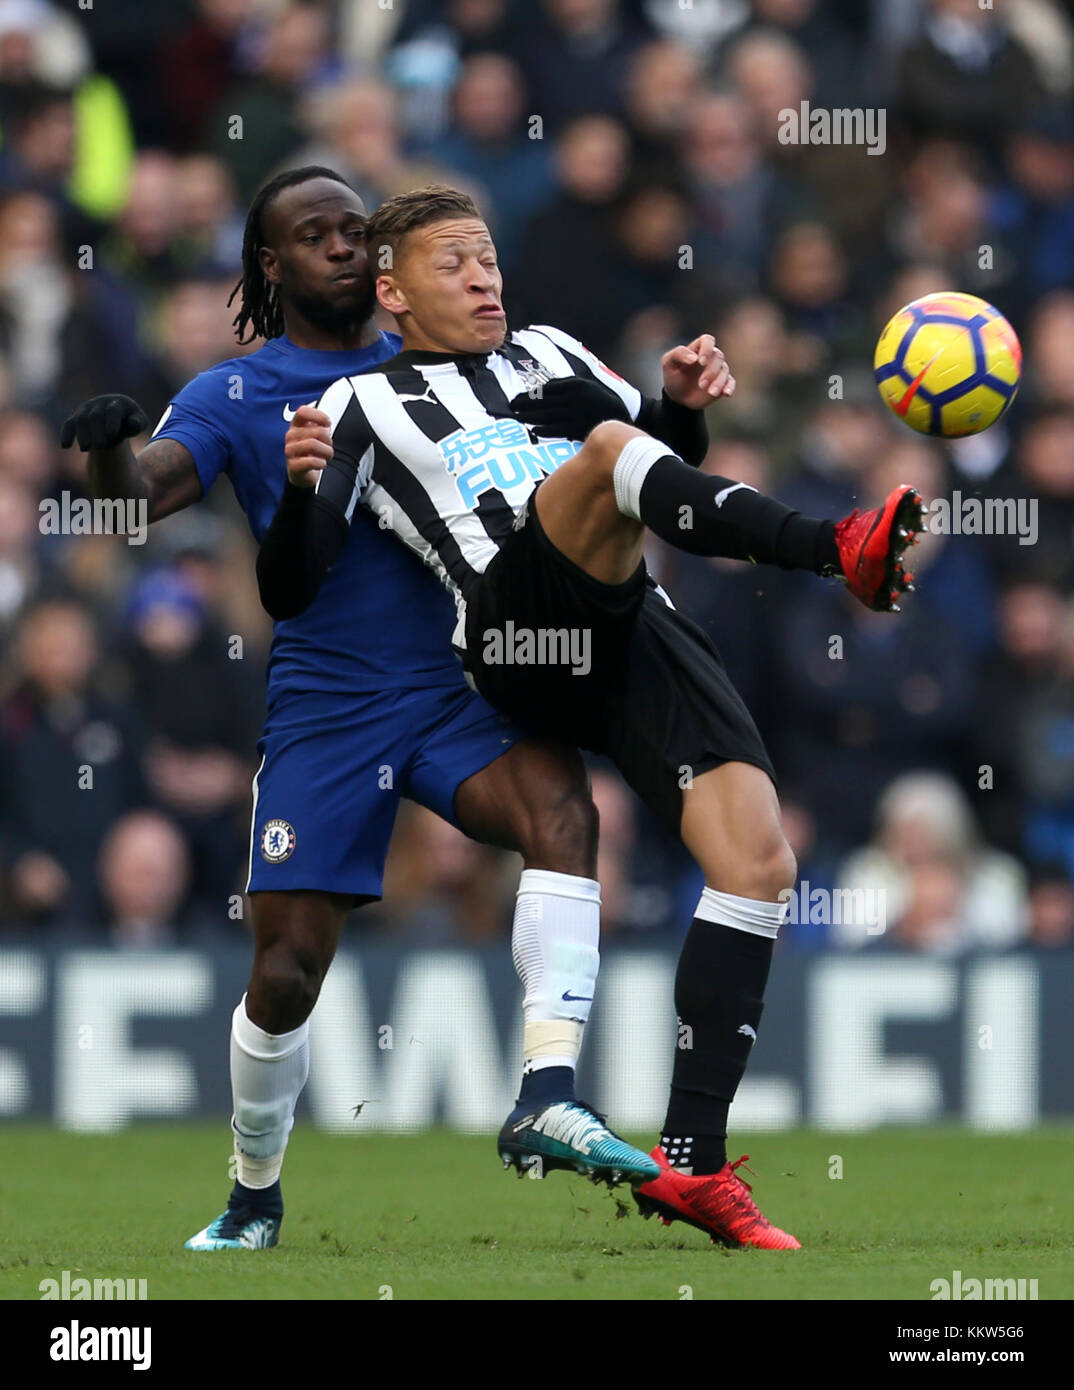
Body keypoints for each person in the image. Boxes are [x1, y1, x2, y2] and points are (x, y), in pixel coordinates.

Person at [263, 184, 926, 1250]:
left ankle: (693, 1163)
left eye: (488, 258)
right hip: (517, 632)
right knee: (613, 452)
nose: (485, 278)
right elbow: (293, 586)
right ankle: (834, 546)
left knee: (758, 864)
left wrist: (682, 409)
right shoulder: (355, 408)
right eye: (455, 264)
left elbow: (664, 467)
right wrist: (299, 493)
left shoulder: (554, 352)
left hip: (630, 624)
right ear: (392, 290)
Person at [60, 166, 663, 1254]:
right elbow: (132, 494)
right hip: (328, 707)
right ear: (270, 264)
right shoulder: (235, 393)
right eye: (316, 235)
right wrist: (107, 447)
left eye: (356, 231)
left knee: (565, 813)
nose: (344, 248)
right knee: (286, 972)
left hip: (456, 682)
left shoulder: (436, 358)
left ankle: (548, 1090)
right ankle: (253, 1189)